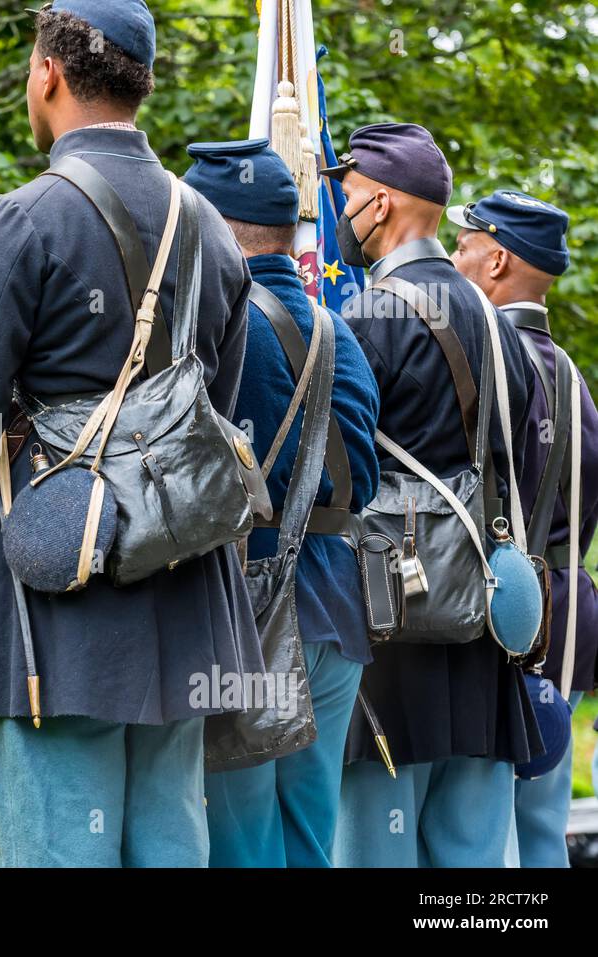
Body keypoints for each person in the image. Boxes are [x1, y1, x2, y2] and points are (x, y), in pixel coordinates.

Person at [0, 0, 262, 867]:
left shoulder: (19, 218)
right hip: (186, 609)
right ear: (142, 84)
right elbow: (205, 419)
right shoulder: (217, 233)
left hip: (58, 612)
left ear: (47, 74)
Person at [322, 125, 542, 867]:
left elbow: (331, 478)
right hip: (485, 631)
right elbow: (524, 476)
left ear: (380, 204)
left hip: (388, 627)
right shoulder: (501, 326)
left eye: (346, 195)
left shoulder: (361, 320)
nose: (340, 211)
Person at [181, 139, 381, 867]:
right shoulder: (344, 336)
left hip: (250, 614)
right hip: (339, 611)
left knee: (244, 848)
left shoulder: (217, 331)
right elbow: (368, 480)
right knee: (310, 845)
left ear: (215, 225)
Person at [450, 189, 598, 867]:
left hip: (495, 613)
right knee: (542, 822)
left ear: (497, 259)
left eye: (466, 243)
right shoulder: (571, 375)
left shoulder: (480, 357)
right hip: (565, 614)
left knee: (479, 826)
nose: (456, 254)